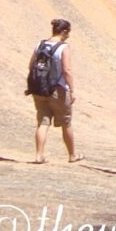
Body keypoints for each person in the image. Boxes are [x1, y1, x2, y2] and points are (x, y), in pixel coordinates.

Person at [26, 18, 80, 164]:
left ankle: (39, 155)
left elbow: (31, 65)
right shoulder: (63, 47)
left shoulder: (40, 45)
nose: (68, 35)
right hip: (58, 89)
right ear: (63, 31)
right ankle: (72, 155)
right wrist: (72, 90)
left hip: (40, 89)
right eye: (68, 32)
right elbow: (67, 70)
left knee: (43, 122)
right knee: (66, 122)